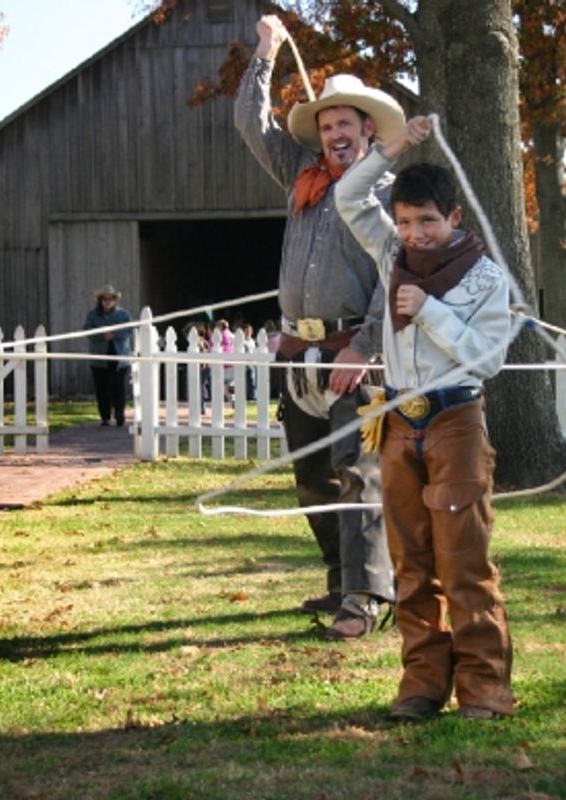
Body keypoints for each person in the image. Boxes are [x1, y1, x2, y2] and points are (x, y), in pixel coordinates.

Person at [335, 116, 515, 720]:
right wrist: (392, 147)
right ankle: (421, 685)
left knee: (463, 559)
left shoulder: (485, 278)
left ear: (454, 218)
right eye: (406, 221)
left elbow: (488, 360)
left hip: (454, 420)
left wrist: (431, 310)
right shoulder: (392, 254)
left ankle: (485, 690)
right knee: (411, 561)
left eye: (427, 222)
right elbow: (349, 196)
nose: (414, 234)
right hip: (397, 418)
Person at [235, 14, 406, 640]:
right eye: (327, 124)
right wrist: (265, 53)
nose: (335, 134)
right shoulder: (301, 180)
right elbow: (249, 127)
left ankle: (366, 597)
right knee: (310, 474)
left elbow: (396, 279)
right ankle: (339, 580)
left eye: (345, 124)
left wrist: (363, 347)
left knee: (357, 472)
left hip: (354, 355)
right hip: (296, 349)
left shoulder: (386, 198)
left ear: (367, 130)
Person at [83, 284, 132, 427]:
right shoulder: (92, 315)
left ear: (115, 300)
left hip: (119, 357)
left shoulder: (123, 314)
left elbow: (129, 330)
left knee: (118, 387)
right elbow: (87, 331)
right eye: (104, 299)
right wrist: (102, 335)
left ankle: (119, 414)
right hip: (99, 358)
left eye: (111, 299)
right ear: (100, 300)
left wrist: (115, 334)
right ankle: (105, 415)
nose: (107, 301)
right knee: (101, 388)